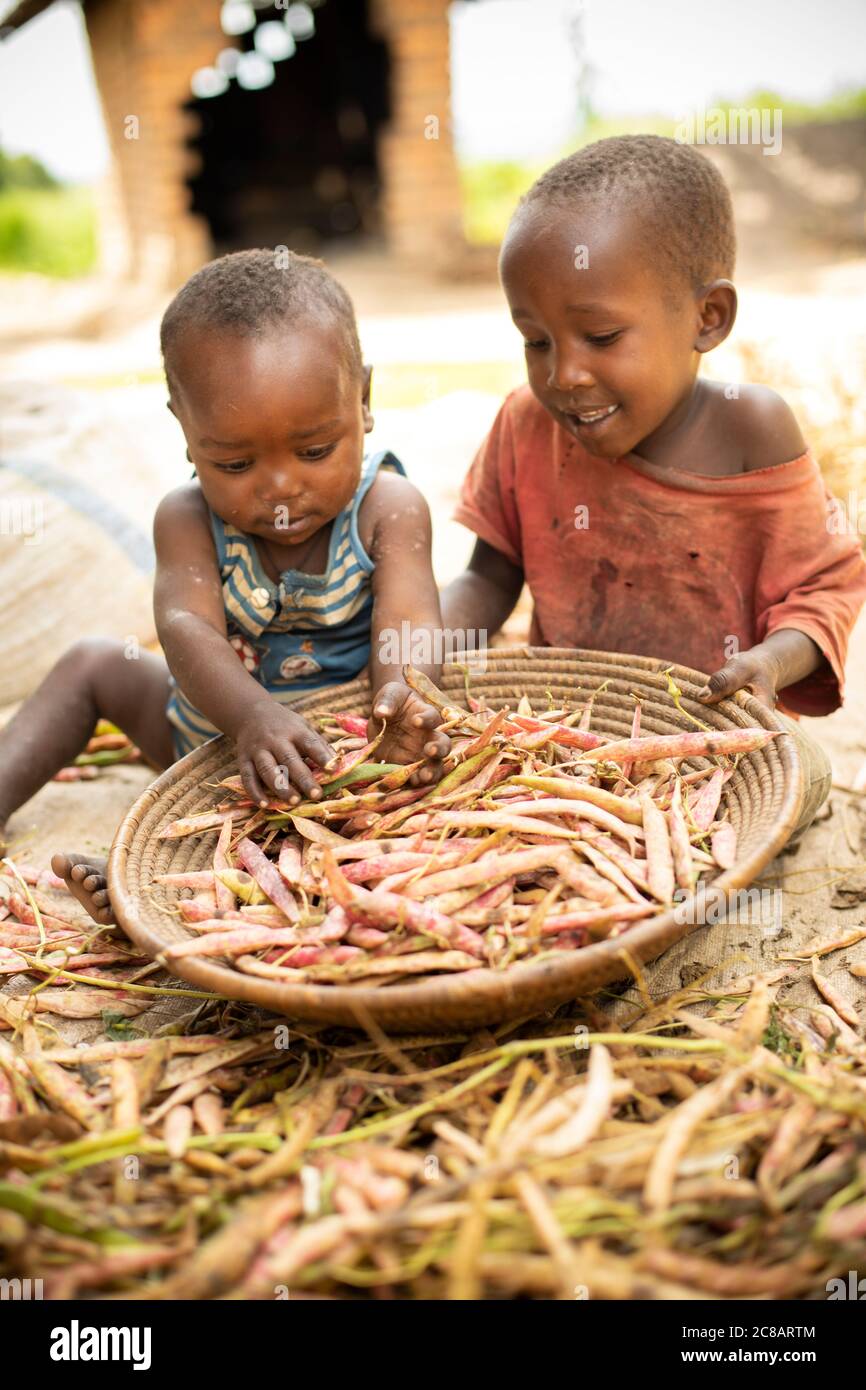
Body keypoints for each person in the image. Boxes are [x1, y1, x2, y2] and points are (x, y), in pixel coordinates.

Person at [0, 248, 449, 922]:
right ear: (186, 433)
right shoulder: (186, 518)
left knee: (367, 816)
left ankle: (158, 884)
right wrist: (249, 717)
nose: (280, 486)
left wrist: (397, 710)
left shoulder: (390, 506)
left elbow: (408, 623)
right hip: (208, 744)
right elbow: (186, 630)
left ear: (364, 401)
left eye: (315, 451)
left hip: (340, 759)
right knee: (96, 661)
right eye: (236, 462)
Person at [442, 134, 866, 835]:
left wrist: (768, 665)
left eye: (601, 337)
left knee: (800, 782)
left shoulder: (750, 432)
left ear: (709, 318)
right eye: (536, 340)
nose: (564, 375)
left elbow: (827, 586)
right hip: (562, 742)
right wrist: (417, 645)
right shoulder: (526, 424)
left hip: (713, 747)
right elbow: (489, 576)